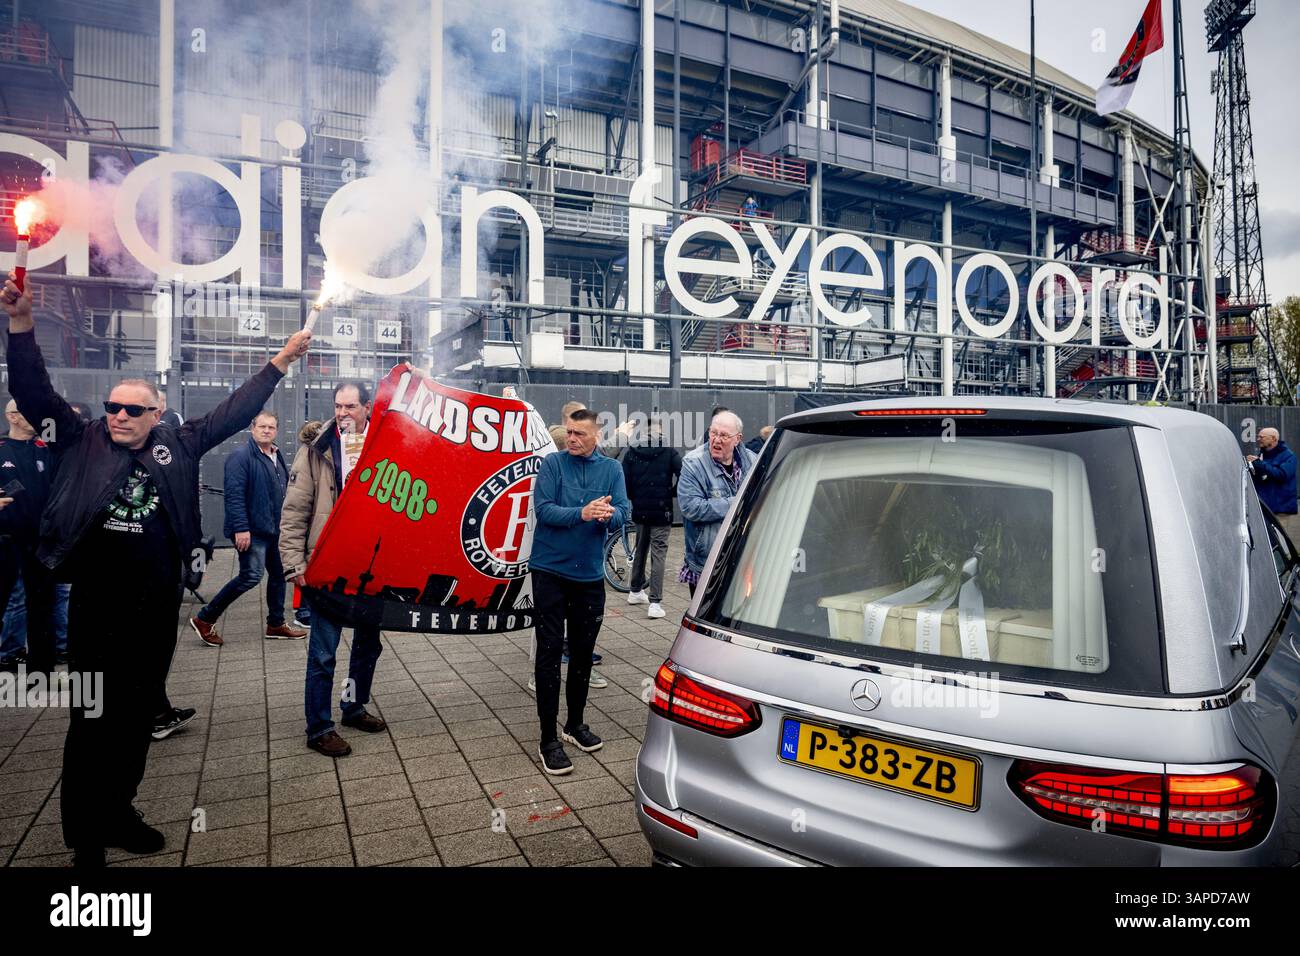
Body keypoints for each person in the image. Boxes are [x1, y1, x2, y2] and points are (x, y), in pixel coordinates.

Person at [2, 272, 311, 868]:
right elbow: (35, 392)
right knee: (91, 722)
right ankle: (86, 834)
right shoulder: (81, 437)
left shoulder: (180, 442)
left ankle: (120, 810)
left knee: (136, 719)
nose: (117, 415)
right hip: (96, 607)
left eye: (130, 408)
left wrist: (280, 361)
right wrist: (20, 325)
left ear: (155, 413)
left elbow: (233, 411)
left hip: (154, 609)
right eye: (113, 406)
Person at [280, 382, 387, 758]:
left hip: (370, 568)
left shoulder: (383, 444)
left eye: (351, 406)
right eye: (338, 406)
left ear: (367, 408)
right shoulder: (316, 449)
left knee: (367, 646)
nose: (343, 413)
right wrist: (295, 564)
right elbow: (294, 512)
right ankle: (319, 727)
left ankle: (353, 707)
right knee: (324, 652)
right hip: (327, 568)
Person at [529, 408, 631, 775]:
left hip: (588, 576)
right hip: (550, 572)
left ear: (596, 437)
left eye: (579, 434)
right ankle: (547, 738)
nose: (571, 438)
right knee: (550, 653)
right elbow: (545, 511)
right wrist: (583, 514)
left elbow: (624, 510)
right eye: (569, 432)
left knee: (584, 654)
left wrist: (609, 516)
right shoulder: (553, 465)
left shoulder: (611, 470)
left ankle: (574, 724)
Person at [189, 411, 305, 645]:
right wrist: (241, 528)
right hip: (252, 530)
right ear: (252, 428)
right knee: (250, 576)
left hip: (273, 529)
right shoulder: (240, 457)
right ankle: (205, 618)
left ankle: (275, 624)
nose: (266, 431)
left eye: (271, 427)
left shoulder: (275, 454)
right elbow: (234, 495)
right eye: (262, 427)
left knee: (279, 575)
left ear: (276, 431)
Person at [0, 399, 56, 677]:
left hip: (41, 541)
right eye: (29, 413)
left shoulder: (47, 450)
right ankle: (7, 655)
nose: (36, 418)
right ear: (12, 416)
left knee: (42, 606)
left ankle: (41, 671)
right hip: (5, 540)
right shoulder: (1, 449)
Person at [678, 410, 757, 597]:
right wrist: (736, 503)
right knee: (707, 621)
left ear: (738, 439)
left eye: (724, 435)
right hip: (707, 561)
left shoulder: (752, 461)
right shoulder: (693, 464)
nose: (716, 440)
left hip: (743, 558)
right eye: (713, 433)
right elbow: (691, 507)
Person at [622, 418, 681, 620]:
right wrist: (670, 493)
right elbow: (683, 476)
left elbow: (625, 481)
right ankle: (655, 602)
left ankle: (635, 591)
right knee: (659, 554)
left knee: (641, 548)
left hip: (640, 509)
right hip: (662, 509)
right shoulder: (669, 452)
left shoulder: (632, 453)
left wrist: (634, 497)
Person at [1248, 427, 1299, 539]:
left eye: (1262, 437)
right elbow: (1263, 477)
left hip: (1280, 509)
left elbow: (1282, 475)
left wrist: (1259, 464)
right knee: (1264, 541)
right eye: (1258, 436)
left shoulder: (1288, 456)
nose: (1258, 439)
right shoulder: (1263, 455)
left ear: (1273, 439)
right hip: (1264, 507)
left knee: (1280, 542)